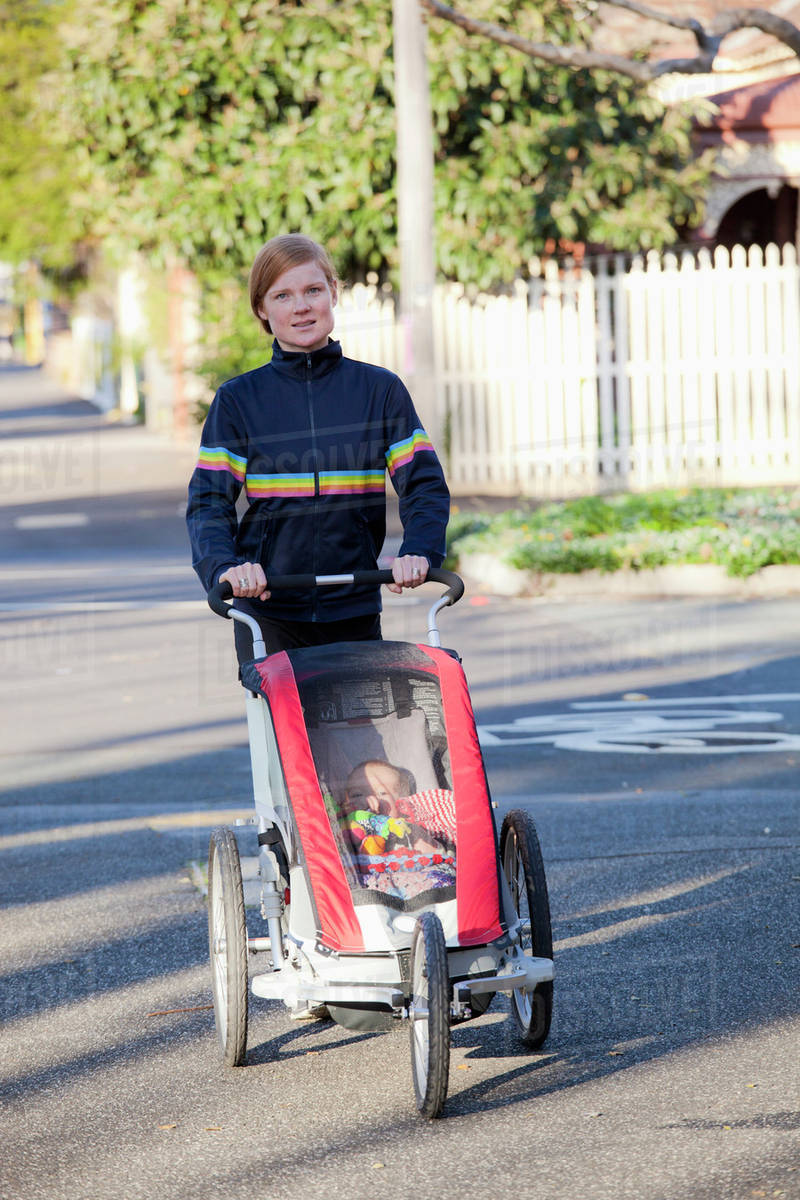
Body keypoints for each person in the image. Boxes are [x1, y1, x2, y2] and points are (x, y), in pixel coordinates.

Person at [186, 233, 450, 663]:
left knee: (357, 730)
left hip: (356, 607)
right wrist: (225, 568)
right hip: (267, 612)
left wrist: (419, 551)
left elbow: (423, 485)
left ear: (333, 293)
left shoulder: (379, 390)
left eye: (313, 290)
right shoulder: (238, 400)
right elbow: (208, 503)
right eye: (282, 295)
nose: (301, 306)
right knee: (284, 732)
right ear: (262, 310)